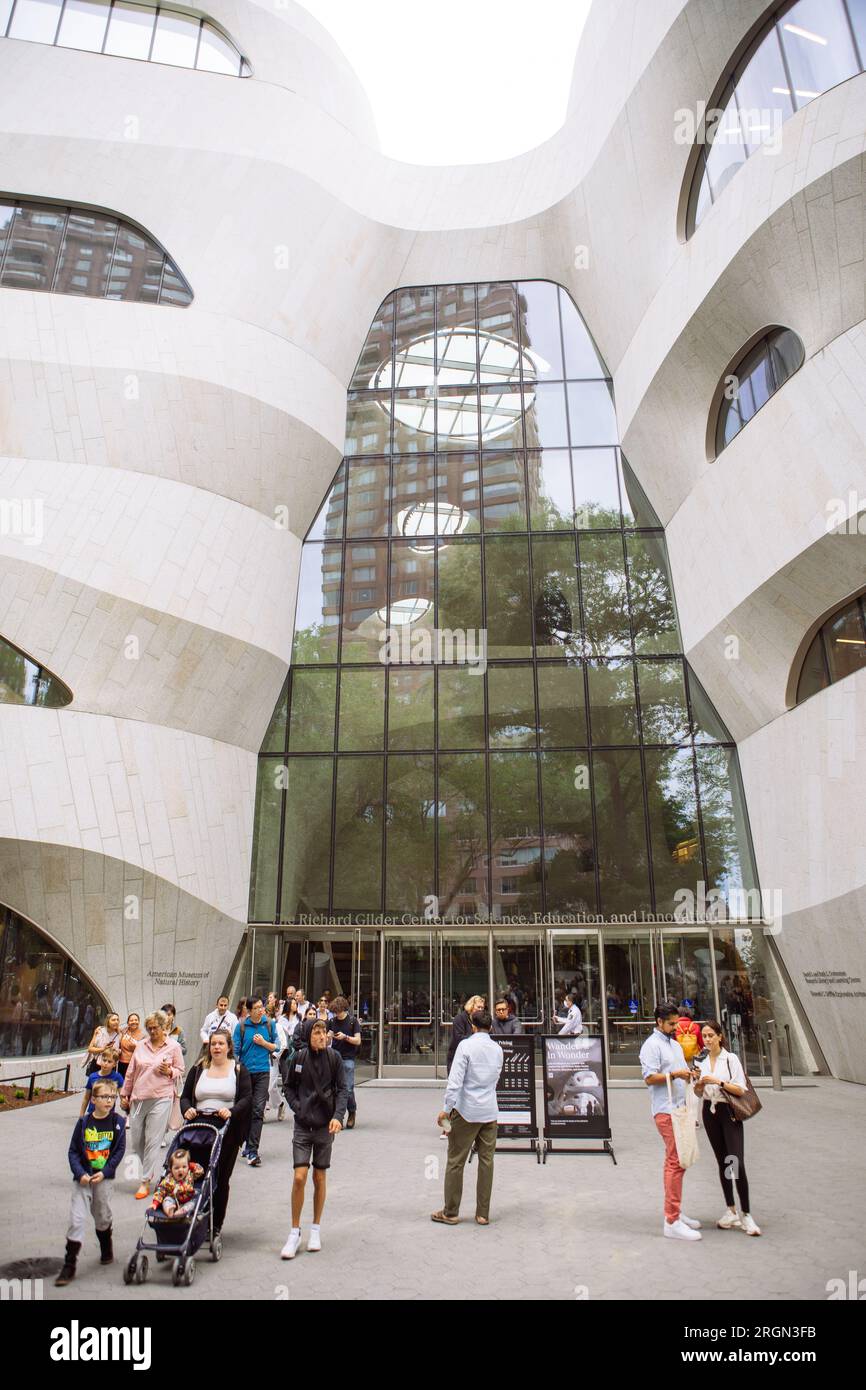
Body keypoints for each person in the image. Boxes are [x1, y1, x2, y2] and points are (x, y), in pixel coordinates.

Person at [281, 1018, 347, 1259]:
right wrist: (299, 1108)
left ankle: (315, 1228)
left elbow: (343, 1089)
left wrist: (338, 1116)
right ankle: (294, 1231)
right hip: (302, 1126)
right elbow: (287, 1087)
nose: (322, 1036)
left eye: (324, 1032)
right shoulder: (298, 1059)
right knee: (300, 1177)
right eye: (317, 1033)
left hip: (324, 1127)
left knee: (319, 1176)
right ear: (308, 1035)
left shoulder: (334, 1059)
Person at [432, 1008, 504, 1227]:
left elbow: (455, 1081)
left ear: (472, 1026)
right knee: (486, 1162)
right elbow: (496, 1078)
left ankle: (451, 1212)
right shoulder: (498, 1049)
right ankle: (483, 1213)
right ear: (490, 1027)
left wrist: (446, 1108)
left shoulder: (466, 1046)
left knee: (455, 1161)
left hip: (466, 1111)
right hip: (490, 1111)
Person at [639, 1001, 701, 1242]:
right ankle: (671, 1219)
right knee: (675, 1161)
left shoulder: (674, 1045)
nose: (676, 1027)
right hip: (665, 1109)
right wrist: (675, 1074)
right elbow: (649, 1077)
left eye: (677, 1022)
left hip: (680, 1107)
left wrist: (689, 1073)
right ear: (659, 1022)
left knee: (681, 1159)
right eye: (672, 1023)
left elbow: (680, 1071)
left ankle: (675, 1210)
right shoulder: (651, 1046)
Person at [55, 1079, 126, 1286]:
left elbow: (119, 1151)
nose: (109, 1101)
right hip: (83, 1178)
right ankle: (69, 1265)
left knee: (102, 1215)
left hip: (102, 1179)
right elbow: (73, 1151)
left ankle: (106, 1246)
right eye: (104, 1097)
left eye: (112, 1097)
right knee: (77, 1219)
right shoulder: (84, 1123)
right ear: (93, 1099)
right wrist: (79, 1173)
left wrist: (105, 1172)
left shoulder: (117, 1122)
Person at [180, 1029, 251, 1234]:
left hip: (226, 1129)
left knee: (220, 1178)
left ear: (229, 1047)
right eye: (213, 1044)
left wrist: (231, 1111)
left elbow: (247, 1098)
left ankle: (215, 1224)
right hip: (198, 1128)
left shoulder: (238, 1070)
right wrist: (187, 1109)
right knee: (195, 1174)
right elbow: (185, 1096)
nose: (216, 1047)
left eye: (221, 1044)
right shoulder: (198, 1068)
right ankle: (191, 1215)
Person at [695, 1020, 761, 1236]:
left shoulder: (730, 1059)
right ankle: (731, 1209)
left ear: (720, 1036)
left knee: (736, 1160)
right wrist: (699, 1085)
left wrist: (718, 1082)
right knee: (723, 1160)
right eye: (704, 1036)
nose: (707, 1040)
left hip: (728, 1112)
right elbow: (697, 1093)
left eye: (711, 1035)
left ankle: (747, 1214)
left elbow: (740, 1089)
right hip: (710, 1112)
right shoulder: (701, 1060)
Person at [120, 1011, 185, 1200]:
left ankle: (145, 1180)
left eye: (155, 1028)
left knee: (153, 1140)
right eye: (149, 1028)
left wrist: (170, 1070)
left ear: (163, 1027)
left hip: (161, 1097)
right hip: (139, 1097)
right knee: (137, 1139)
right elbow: (131, 1072)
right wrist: (125, 1094)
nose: (152, 1031)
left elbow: (181, 1070)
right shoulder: (141, 1046)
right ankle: (149, 1170)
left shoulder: (174, 1046)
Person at [232, 996, 277, 1167]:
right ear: (249, 1011)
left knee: (258, 1110)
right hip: (245, 1073)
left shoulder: (269, 1024)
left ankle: (252, 1150)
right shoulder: (242, 1026)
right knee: (246, 1110)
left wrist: (264, 1042)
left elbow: (277, 1046)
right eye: (256, 1008)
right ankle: (245, 1143)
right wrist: (236, 1065)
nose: (261, 1010)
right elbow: (235, 1050)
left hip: (263, 1072)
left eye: (261, 1007)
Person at [328, 995, 361, 1129]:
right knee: (335, 1088)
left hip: (348, 1058)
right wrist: (328, 1037)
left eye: (338, 1012)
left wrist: (345, 1037)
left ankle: (351, 1111)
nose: (337, 1014)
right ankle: (338, 1116)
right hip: (335, 1058)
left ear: (344, 1009)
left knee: (347, 1089)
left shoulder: (353, 1021)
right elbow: (327, 1041)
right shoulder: (331, 1021)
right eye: (335, 1012)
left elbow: (358, 1040)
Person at [150, 1148, 204, 1220]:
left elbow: (200, 1171)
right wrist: (155, 1203)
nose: (181, 1170)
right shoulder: (168, 1180)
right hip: (173, 1199)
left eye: (184, 1167)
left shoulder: (190, 1175)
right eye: (176, 1168)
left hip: (188, 1199)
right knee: (166, 1200)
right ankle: (169, 1210)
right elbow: (160, 1191)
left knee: (196, 1197)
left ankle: (182, 1210)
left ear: (188, 1167)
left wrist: (191, 1165)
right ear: (171, 1169)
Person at [446, 994, 486, 1073]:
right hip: (457, 1057)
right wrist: (476, 1037)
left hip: (473, 1058)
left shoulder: (481, 1020)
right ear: (471, 1006)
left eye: (482, 1008)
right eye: (478, 1007)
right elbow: (459, 1038)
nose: (480, 1010)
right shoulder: (460, 1018)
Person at [79, 1047, 123, 1116]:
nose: (106, 1063)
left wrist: (124, 1104)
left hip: (108, 1114)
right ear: (100, 1060)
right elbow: (86, 1098)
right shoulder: (92, 1076)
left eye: (109, 1061)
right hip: (93, 1113)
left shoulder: (117, 1077)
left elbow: (122, 1096)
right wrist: (81, 1116)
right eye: (104, 1060)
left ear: (114, 1064)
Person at [82, 1012, 122, 1076]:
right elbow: (90, 1049)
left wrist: (117, 1051)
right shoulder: (100, 1031)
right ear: (108, 1021)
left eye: (117, 1020)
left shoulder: (119, 1034)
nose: (116, 1022)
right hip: (98, 1064)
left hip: (111, 1066)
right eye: (113, 1020)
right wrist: (103, 1049)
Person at [117, 1013, 146, 1080]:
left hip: (135, 1064)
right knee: (122, 1085)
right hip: (122, 1063)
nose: (134, 1022)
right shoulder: (124, 1030)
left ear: (139, 1021)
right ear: (128, 1022)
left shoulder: (143, 1035)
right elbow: (114, 1028)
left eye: (136, 1020)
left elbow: (145, 1051)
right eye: (131, 1020)